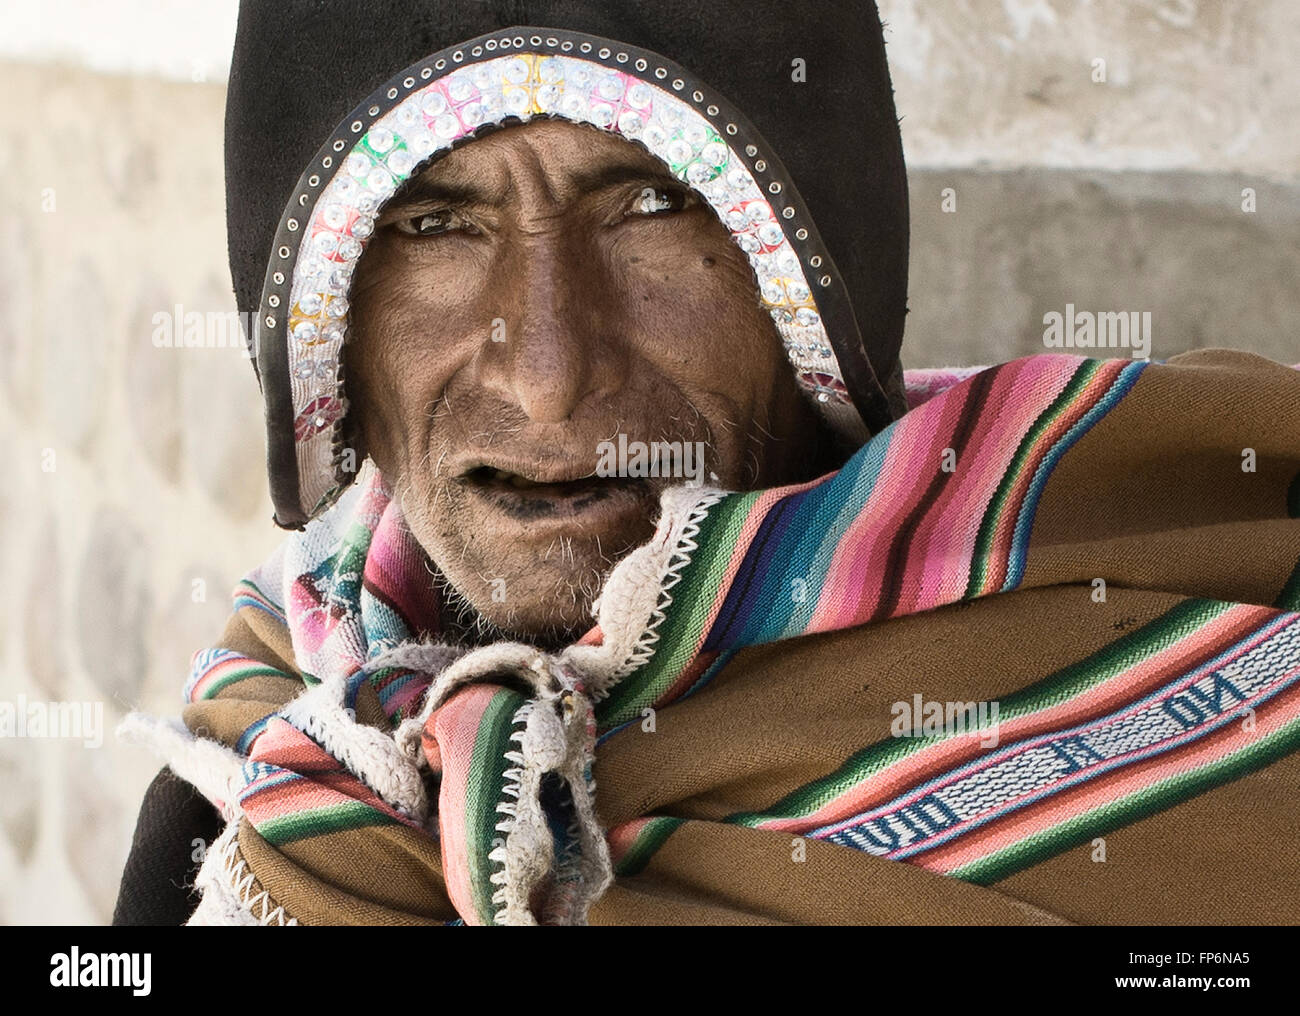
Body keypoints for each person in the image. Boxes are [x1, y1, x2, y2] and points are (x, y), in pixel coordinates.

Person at [115, 0, 1300, 925]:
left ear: (811, 296)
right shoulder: (266, 763)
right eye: (433, 224)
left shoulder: (1206, 641)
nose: (545, 372)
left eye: (651, 203)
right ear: (327, 341)